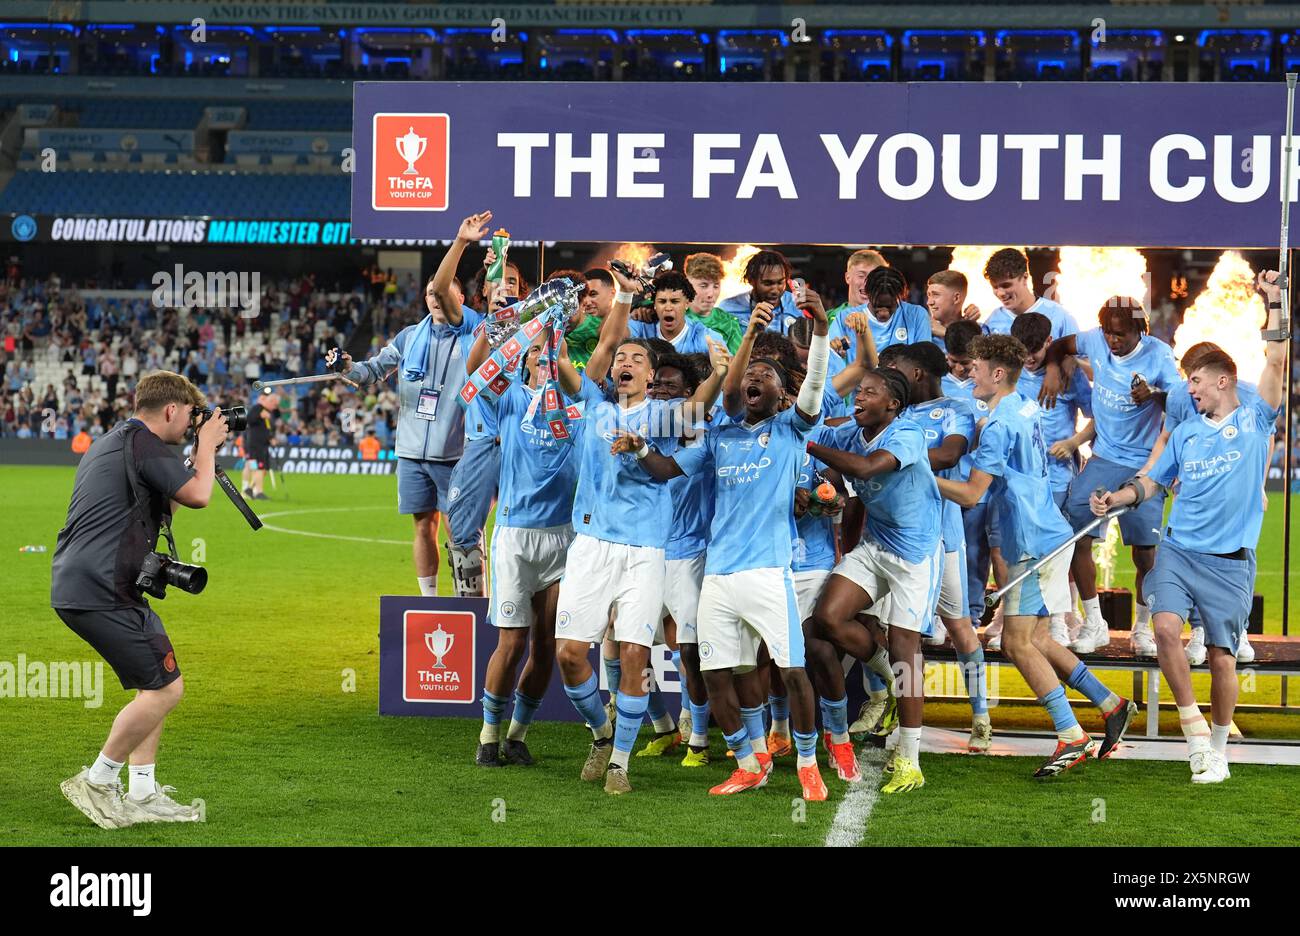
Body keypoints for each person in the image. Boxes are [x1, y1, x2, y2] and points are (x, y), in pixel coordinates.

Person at [615, 288, 834, 801]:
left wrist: (819, 332)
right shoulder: (716, 436)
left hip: (767, 572)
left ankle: (806, 762)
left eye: (768, 378)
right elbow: (668, 469)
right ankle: (746, 760)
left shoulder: (789, 430)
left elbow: (815, 387)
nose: (756, 380)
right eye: (751, 374)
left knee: (792, 671)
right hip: (718, 574)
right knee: (715, 676)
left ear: (783, 397)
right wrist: (642, 447)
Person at [1089, 271, 1286, 782]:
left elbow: (1278, 361)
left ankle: (1217, 745)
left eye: (1194, 380)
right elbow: (1152, 483)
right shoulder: (1184, 432)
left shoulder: (1255, 418)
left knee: (1222, 658)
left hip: (1229, 564)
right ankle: (1193, 729)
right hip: (1179, 550)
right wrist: (1119, 497)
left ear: (1222, 379)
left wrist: (1276, 302)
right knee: (1165, 628)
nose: (1187, 389)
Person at [552, 266, 730, 796]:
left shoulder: (668, 416)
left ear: (652, 377)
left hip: (646, 550)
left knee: (634, 653)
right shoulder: (593, 406)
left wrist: (718, 375)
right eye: (621, 359)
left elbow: (688, 431)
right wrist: (550, 329)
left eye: (637, 360)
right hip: (591, 545)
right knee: (568, 653)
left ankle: (620, 764)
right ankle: (601, 733)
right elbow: (567, 363)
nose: (625, 364)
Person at [935, 334, 1136, 778]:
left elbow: (970, 494)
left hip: (1032, 541)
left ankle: (1070, 735)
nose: (970, 373)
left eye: (976, 367)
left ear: (998, 373)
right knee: (1041, 639)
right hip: (1048, 531)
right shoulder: (1022, 403)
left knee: (1016, 642)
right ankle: (1112, 703)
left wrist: (916, 479)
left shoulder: (1003, 422)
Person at [52, 371, 226, 828]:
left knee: (159, 682)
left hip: (92, 583)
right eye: (190, 416)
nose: (191, 424)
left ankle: (144, 792)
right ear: (171, 409)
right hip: (102, 586)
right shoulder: (144, 444)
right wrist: (205, 447)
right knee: (167, 689)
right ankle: (98, 779)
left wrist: (193, 456)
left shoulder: (119, 440)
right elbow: (201, 496)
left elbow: (170, 502)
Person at [328, 212, 482, 597]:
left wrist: (460, 242)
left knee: (459, 528)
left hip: (456, 452)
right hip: (412, 451)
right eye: (430, 294)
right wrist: (347, 365)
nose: (435, 298)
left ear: (459, 298)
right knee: (421, 525)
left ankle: (470, 598)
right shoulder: (410, 336)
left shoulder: (471, 329)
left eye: (442, 293)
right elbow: (372, 370)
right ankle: (429, 600)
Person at [805, 367, 943, 794]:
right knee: (826, 620)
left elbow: (865, 470)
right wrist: (823, 492)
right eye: (858, 392)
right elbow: (832, 467)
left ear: (893, 405)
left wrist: (810, 443)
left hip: (916, 553)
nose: (859, 398)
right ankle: (890, 677)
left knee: (906, 647)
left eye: (869, 393)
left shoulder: (908, 434)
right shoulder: (852, 431)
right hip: (875, 543)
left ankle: (909, 760)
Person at [465, 327, 593, 767]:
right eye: (537, 354)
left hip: (564, 537)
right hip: (515, 537)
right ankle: (487, 738)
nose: (544, 361)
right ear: (524, 361)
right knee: (511, 643)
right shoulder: (513, 400)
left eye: (553, 355)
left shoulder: (578, 410)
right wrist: (506, 330)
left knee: (545, 646)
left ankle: (517, 736)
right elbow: (477, 374)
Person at [1041, 297, 1181, 657]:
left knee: (1145, 555)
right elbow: (1060, 345)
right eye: (1107, 332)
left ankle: (1142, 628)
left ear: (1140, 330)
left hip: (1145, 464)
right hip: (1103, 457)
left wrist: (1154, 395)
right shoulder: (1093, 339)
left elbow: (1182, 404)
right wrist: (1056, 366)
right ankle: (1094, 621)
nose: (1111, 340)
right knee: (1074, 536)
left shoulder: (1160, 355)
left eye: (1119, 334)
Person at [879, 342, 991, 752]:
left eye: (896, 368)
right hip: (895, 538)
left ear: (919, 372)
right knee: (898, 633)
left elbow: (949, 455)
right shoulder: (895, 410)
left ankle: (980, 716)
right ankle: (898, 717)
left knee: (961, 627)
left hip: (943, 535)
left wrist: (892, 455)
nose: (888, 375)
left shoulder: (958, 409)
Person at [1137, 340, 1276, 667]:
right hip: (1196, 484)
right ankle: (1201, 630)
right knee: (1191, 553)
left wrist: (1259, 483)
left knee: (1239, 548)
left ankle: (1236, 628)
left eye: (1195, 378)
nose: (1189, 386)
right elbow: (1168, 437)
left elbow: (1265, 434)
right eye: (1186, 378)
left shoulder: (1250, 394)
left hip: (1237, 482)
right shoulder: (1180, 397)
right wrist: (1150, 474)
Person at [1010, 312, 1094, 646]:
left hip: (1057, 477)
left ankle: (1059, 618)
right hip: (1018, 478)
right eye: (1022, 351)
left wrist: (1073, 443)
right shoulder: (1010, 374)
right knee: (1017, 549)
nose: (1029, 358)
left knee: (1058, 550)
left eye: (1036, 351)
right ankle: (1014, 616)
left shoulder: (1071, 378)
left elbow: (1097, 419)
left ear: (1049, 343)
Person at [827, 265, 931, 361]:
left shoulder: (916, 315)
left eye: (890, 307)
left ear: (900, 296)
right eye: (877, 306)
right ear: (868, 294)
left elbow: (923, 361)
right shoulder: (844, 318)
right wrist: (837, 351)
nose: (883, 313)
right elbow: (831, 354)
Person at [981, 248, 1079, 340]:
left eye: (1006, 285)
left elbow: (1081, 357)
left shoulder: (1059, 316)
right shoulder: (992, 321)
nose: (1001, 293)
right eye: (995, 287)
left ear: (1024, 277)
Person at [629, 271, 727, 354]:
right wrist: (625, 291)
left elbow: (730, 372)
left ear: (687, 304)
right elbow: (613, 342)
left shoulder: (707, 339)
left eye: (674, 301)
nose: (668, 307)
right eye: (662, 301)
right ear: (654, 304)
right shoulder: (641, 328)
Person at [682, 252, 744, 352]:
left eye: (716, 286)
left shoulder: (729, 323)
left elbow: (738, 364)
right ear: (688, 284)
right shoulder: (674, 317)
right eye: (703, 286)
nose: (711, 294)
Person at [926, 269, 981, 352]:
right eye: (929, 295)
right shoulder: (924, 333)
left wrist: (945, 333)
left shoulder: (979, 331)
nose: (929, 302)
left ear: (956, 298)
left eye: (936, 295)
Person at [240, 390, 278, 500]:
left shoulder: (267, 412)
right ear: (268, 401)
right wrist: (260, 416)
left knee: (258, 468)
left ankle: (250, 490)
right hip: (255, 445)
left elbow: (268, 429)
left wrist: (271, 438)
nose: (275, 407)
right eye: (274, 404)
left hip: (261, 445)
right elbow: (249, 420)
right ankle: (256, 491)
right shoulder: (258, 408)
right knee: (257, 467)